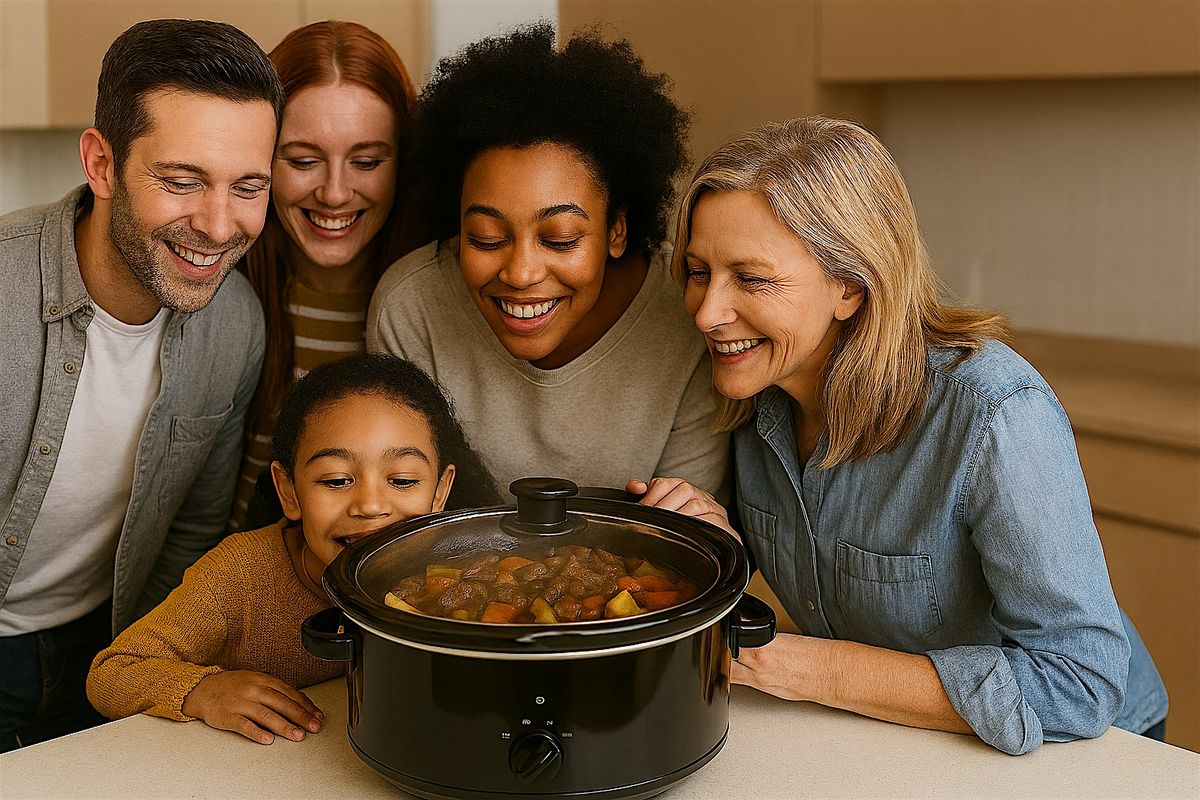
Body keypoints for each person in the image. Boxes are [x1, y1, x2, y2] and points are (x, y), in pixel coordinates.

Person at [633, 116, 1168, 755]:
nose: (707, 311)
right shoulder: (755, 392)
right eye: (698, 271)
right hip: (904, 741)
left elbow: (1080, 681)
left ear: (850, 289)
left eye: (751, 279)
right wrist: (719, 538)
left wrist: (816, 669)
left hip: (1090, 751)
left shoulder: (994, 412)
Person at [0, 20, 283, 751]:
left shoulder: (237, 325)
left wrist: (144, 670)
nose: (218, 227)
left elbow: (190, 530)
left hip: (107, 652)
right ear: (101, 163)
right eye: (182, 181)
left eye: (247, 187)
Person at [367, 22, 728, 497]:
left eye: (559, 239)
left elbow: (680, 536)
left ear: (617, 229)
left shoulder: (690, 311)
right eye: (487, 238)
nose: (520, 274)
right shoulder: (411, 308)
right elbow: (404, 520)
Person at [86, 354, 499, 744]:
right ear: (289, 491)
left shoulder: (462, 571)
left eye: (403, 481)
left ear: (439, 492)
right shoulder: (238, 575)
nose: (371, 506)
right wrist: (202, 688)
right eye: (336, 480)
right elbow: (113, 672)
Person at [231, 21, 419, 528]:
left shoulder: (432, 301)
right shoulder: (222, 285)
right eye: (304, 159)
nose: (335, 193)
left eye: (366, 160)